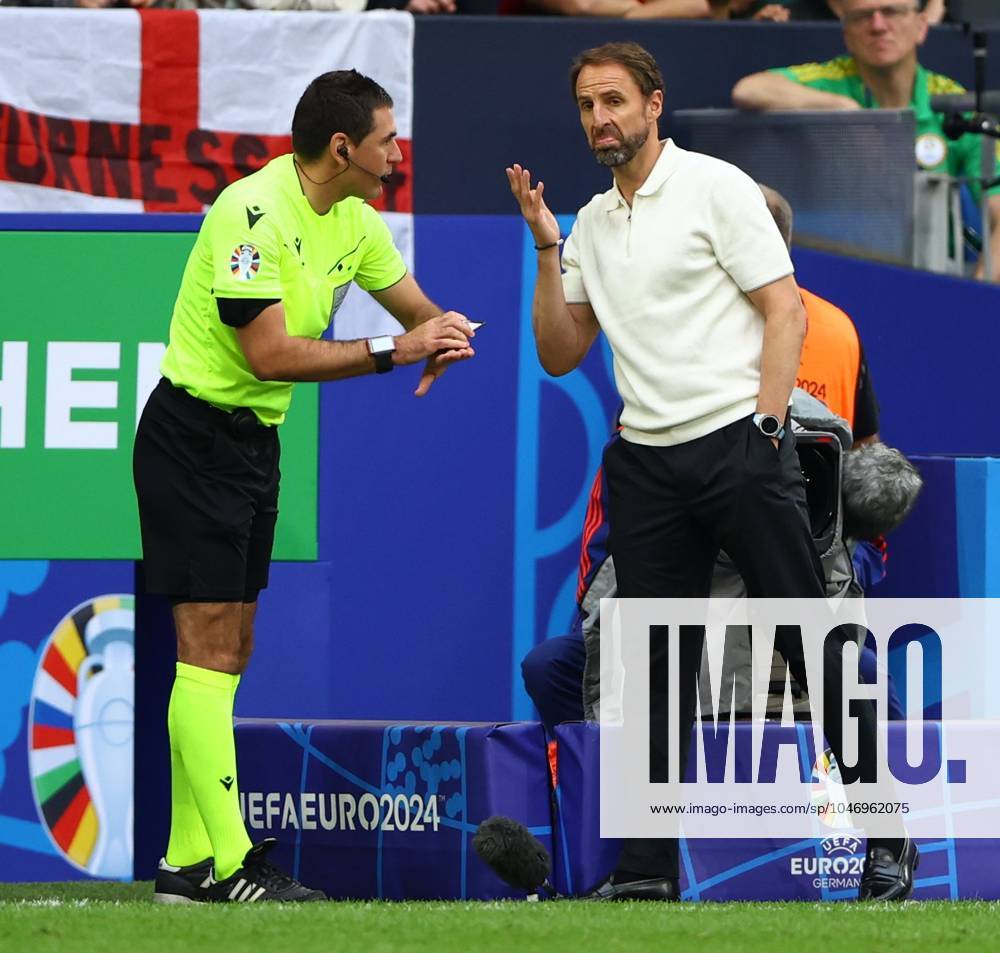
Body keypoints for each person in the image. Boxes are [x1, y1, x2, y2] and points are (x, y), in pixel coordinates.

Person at [507, 41, 914, 903]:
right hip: (646, 464)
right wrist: (549, 248)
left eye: (613, 101)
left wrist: (767, 426)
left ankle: (888, 840)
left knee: (817, 647)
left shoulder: (717, 187)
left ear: (655, 104)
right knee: (655, 668)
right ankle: (649, 872)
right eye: (585, 105)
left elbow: (784, 309)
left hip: (740, 446)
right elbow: (558, 351)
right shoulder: (589, 221)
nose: (598, 119)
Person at [133, 69, 476, 904]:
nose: (397, 155)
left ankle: (185, 865)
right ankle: (233, 861)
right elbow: (269, 355)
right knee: (207, 651)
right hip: (191, 439)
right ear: (341, 147)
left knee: (230, 650)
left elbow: (415, 310)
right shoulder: (248, 213)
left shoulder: (354, 221)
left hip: (253, 446)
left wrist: (443, 334)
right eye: (387, 141)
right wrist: (394, 352)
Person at [522, 184, 911, 737]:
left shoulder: (831, 333)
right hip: (701, 581)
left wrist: (846, 570)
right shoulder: (690, 342)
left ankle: (882, 815)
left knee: (859, 678)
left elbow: (859, 471)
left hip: (794, 574)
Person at [731, 0, 997, 276]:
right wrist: (843, 108)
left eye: (891, 12)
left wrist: (979, 292)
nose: (878, 26)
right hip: (837, 264)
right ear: (846, 35)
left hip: (932, 274)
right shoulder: (830, 79)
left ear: (921, 27)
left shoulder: (951, 101)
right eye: (862, 16)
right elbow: (749, 89)